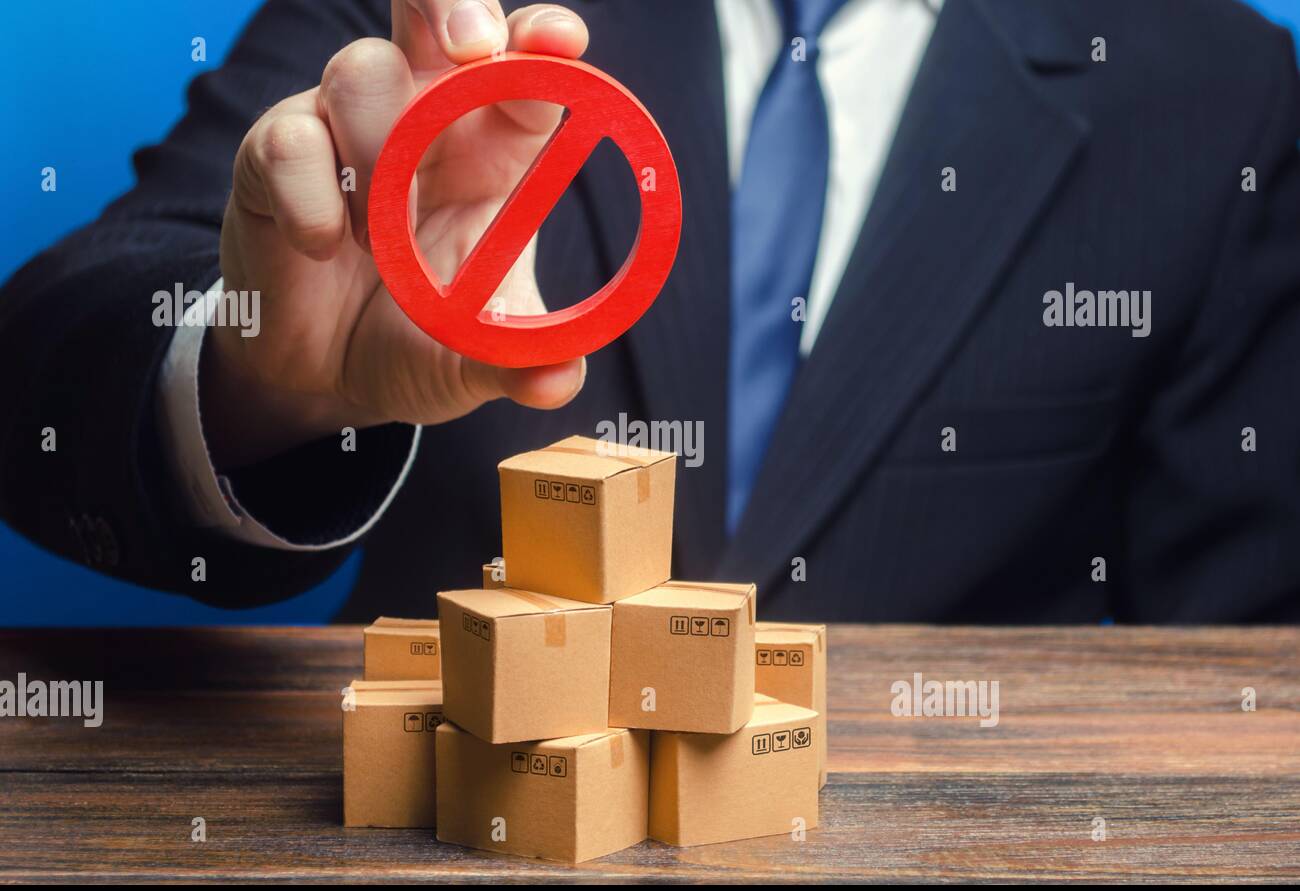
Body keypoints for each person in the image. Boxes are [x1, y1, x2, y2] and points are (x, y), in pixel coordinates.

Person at [2, 0, 1299, 623]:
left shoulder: (1213, 87)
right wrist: (260, 375)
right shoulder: (439, 11)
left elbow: (1245, 677)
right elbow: (41, 362)